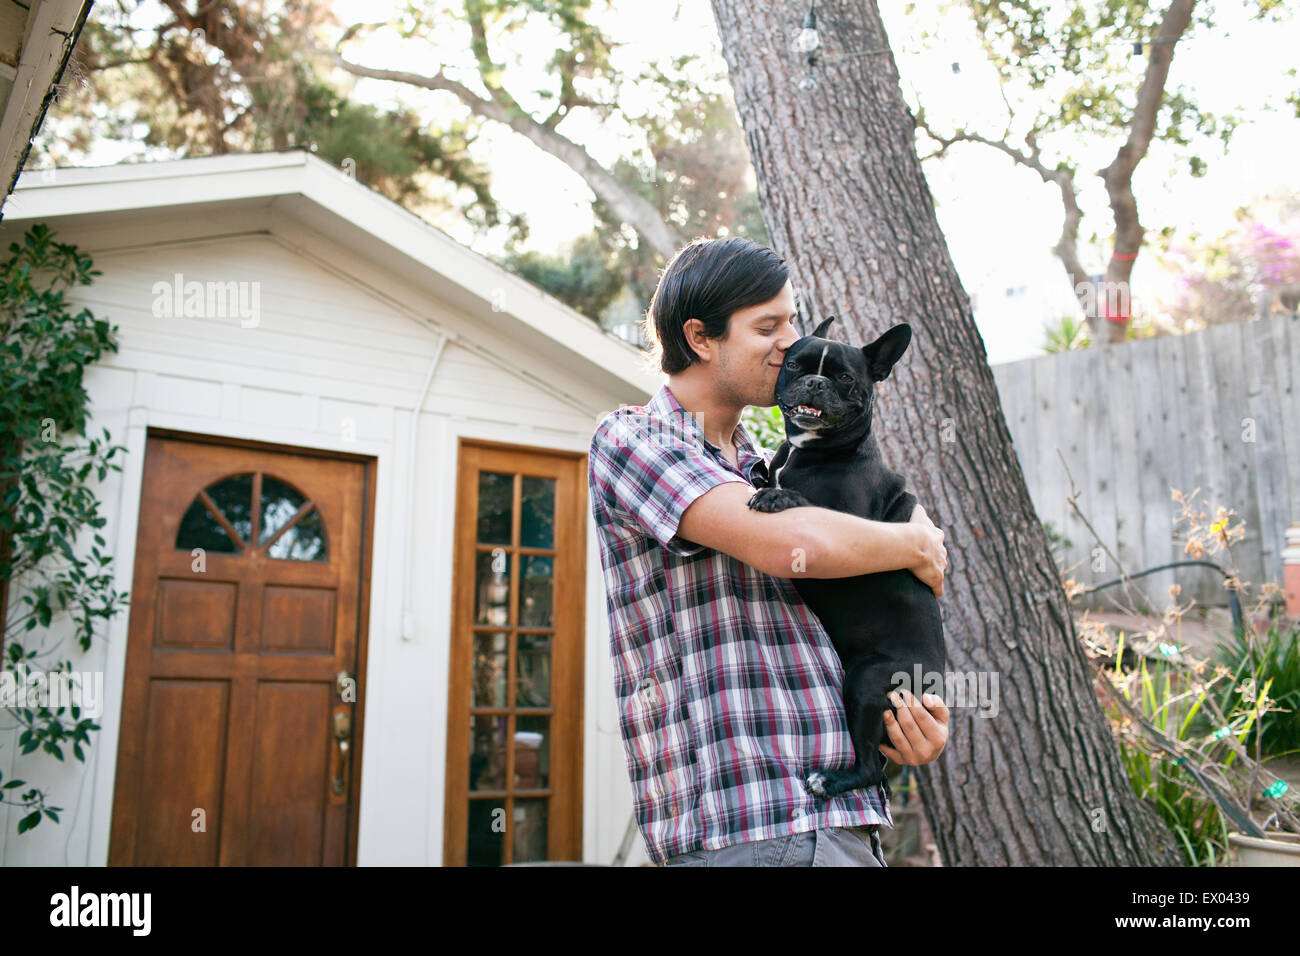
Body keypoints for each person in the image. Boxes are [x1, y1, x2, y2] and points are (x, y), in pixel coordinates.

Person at [587, 236, 949, 867]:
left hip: (840, 822)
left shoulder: (769, 468)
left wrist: (907, 724)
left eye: (792, 322)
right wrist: (915, 540)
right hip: (750, 826)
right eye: (767, 326)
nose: (790, 341)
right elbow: (792, 544)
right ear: (701, 338)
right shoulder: (635, 439)